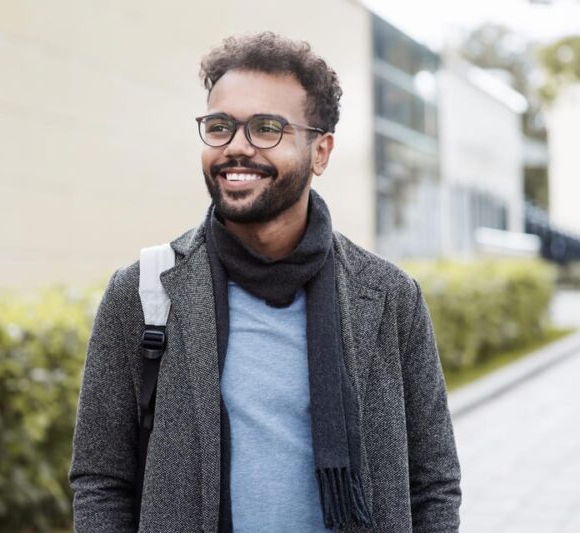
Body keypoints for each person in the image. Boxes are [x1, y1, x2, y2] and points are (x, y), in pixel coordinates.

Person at [70, 32, 461, 532]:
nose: (237, 147)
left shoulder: (388, 297)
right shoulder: (144, 292)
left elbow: (433, 483)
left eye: (267, 128)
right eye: (220, 126)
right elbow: (101, 481)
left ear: (321, 152)